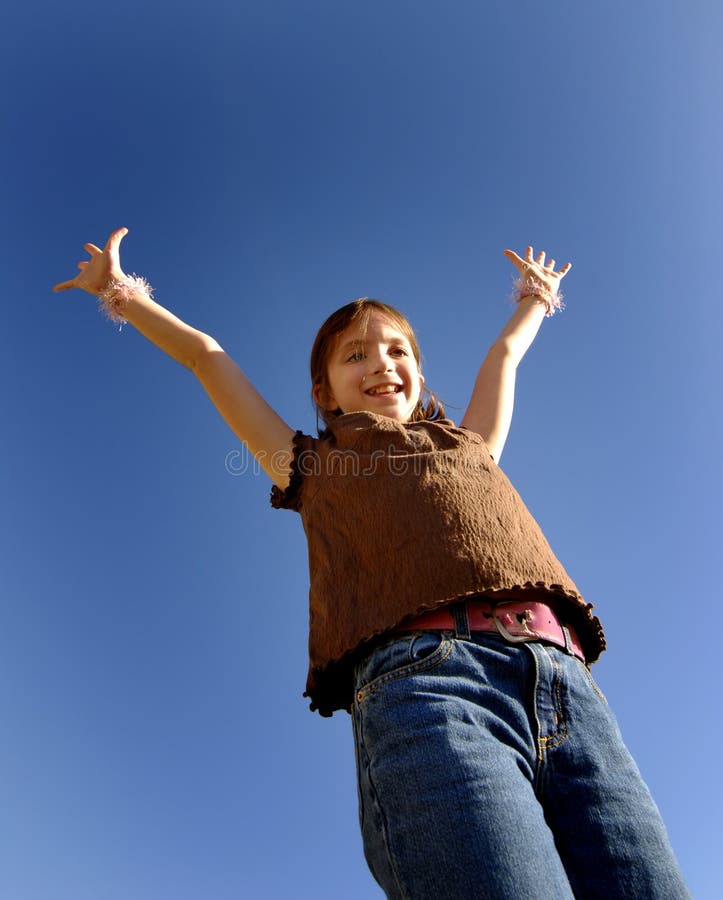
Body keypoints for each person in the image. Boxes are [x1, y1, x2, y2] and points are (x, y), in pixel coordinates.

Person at [54, 230, 690, 899]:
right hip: (432, 690)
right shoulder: (309, 464)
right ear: (324, 392)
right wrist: (120, 293)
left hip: (568, 687)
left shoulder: (470, 445)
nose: (381, 362)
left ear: (417, 372)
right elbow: (207, 358)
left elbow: (504, 355)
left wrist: (536, 298)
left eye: (396, 350)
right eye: (355, 354)